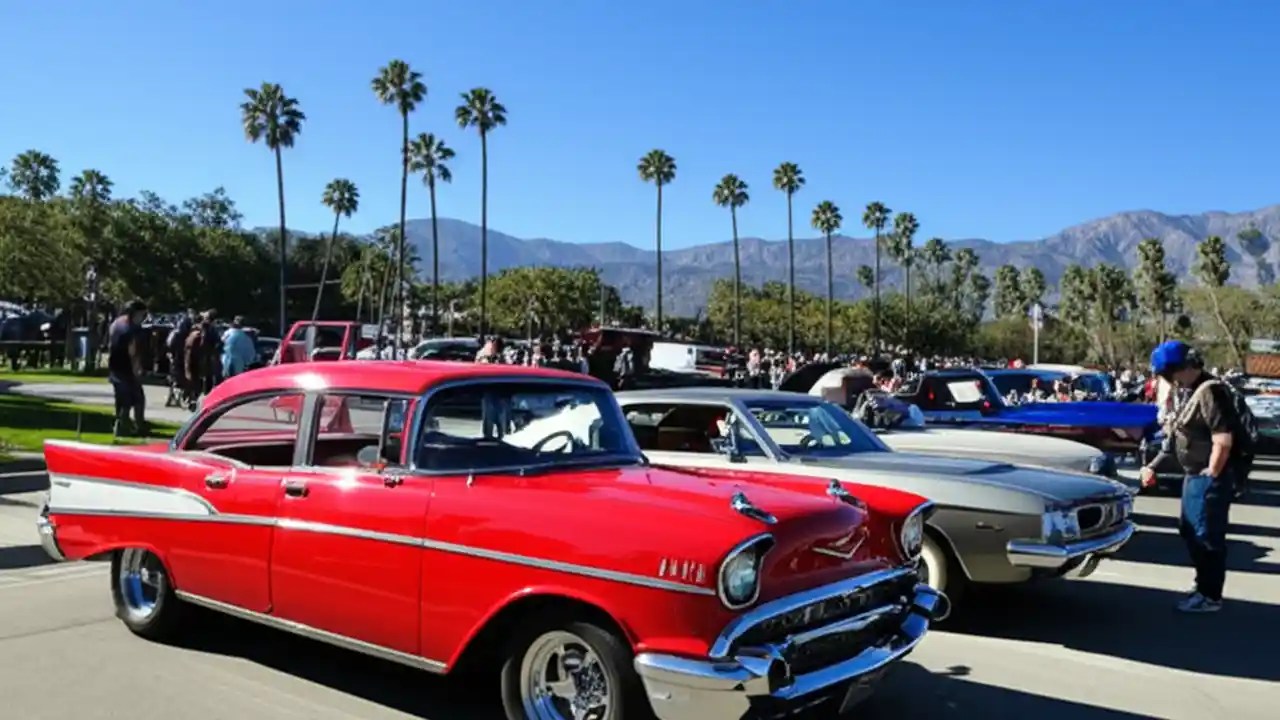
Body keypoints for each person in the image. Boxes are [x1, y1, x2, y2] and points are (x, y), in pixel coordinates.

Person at [1140, 340, 1244, 613]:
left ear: (1182, 368)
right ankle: (1203, 586)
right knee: (1190, 530)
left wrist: (1212, 471)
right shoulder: (1190, 390)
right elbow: (1177, 436)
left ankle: (1210, 595)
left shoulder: (1210, 392)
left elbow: (1223, 439)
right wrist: (1154, 465)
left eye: (1168, 374)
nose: (1168, 380)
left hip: (1206, 477)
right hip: (1193, 475)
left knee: (1206, 534)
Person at [107, 299, 148, 436]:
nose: (143, 319)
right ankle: (137, 426)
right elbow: (133, 352)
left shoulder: (116, 323)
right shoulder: (131, 329)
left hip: (115, 366)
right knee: (137, 399)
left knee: (122, 399)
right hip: (127, 368)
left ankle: (121, 426)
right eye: (142, 315)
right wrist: (138, 369)